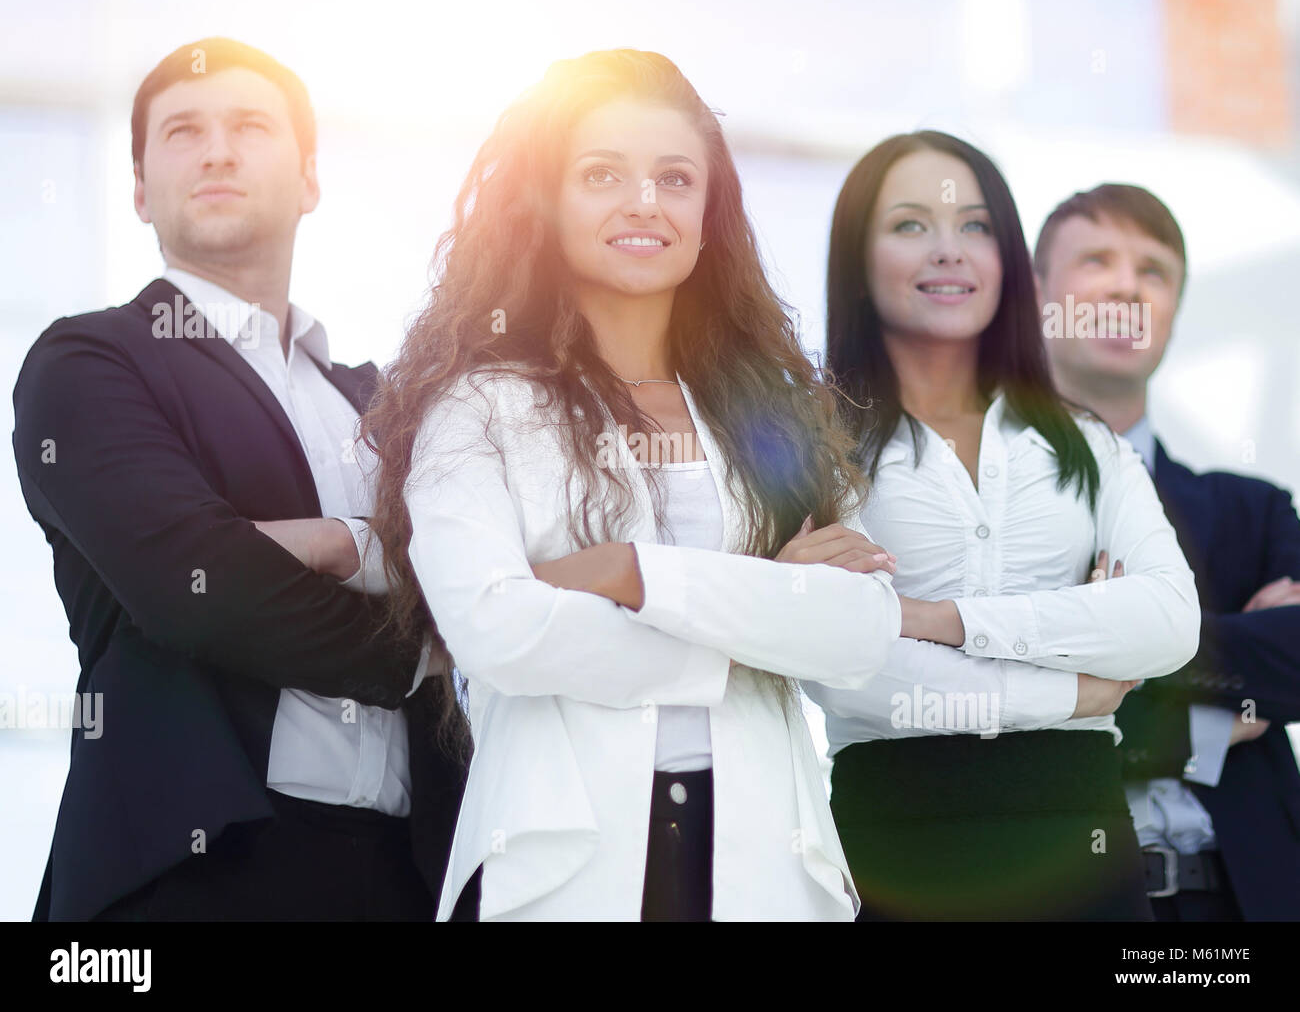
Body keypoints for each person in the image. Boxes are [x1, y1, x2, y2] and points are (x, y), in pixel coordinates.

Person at [359, 48, 902, 921]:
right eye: (602, 174)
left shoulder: (776, 414)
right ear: (547, 202)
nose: (643, 202)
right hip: (560, 874)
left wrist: (628, 573)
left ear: (705, 213)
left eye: (675, 178)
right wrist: (765, 615)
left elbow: (861, 630)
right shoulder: (476, 409)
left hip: (762, 869)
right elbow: (497, 631)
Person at [11, 37, 466, 921]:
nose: (217, 149)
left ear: (309, 181)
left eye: (251, 125)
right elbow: (200, 588)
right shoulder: (91, 361)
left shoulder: (390, 406)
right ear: (139, 189)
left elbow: (487, 571)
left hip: (410, 880)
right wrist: (417, 637)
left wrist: (298, 548)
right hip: (193, 879)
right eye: (182, 131)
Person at [804, 131, 1200, 920]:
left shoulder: (1087, 442)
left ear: (1007, 259)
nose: (948, 250)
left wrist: (933, 619)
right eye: (910, 225)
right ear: (858, 256)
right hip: (897, 853)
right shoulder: (816, 439)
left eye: (975, 227)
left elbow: (1167, 621)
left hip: (1087, 859)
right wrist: (1074, 687)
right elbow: (845, 661)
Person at [1035, 182, 1300, 921]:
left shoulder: (1255, 508)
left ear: (1175, 314)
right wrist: (1214, 725)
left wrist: (1093, 643)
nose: (1127, 284)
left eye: (1154, 271)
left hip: (1251, 896)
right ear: (1034, 294)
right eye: (1097, 259)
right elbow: (995, 704)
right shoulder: (975, 499)